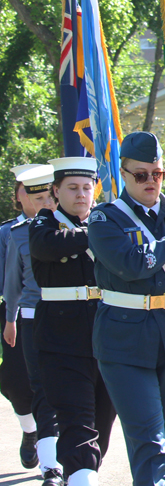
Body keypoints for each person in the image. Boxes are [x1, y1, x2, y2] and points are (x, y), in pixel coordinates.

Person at [88, 132, 165, 486]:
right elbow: (132, 264)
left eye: (157, 174)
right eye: (141, 175)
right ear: (124, 173)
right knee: (150, 440)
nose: (151, 182)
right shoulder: (104, 219)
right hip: (124, 338)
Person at [29, 157, 117, 486]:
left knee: (101, 426)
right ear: (55, 191)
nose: (81, 194)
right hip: (60, 338)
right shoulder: (44, 222)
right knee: (77, 423)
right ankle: (78, 474)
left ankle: (78, 475)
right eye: (72, 188)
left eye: (87, 187)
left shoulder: (106, 219)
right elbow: (46, 246)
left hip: (107, 334)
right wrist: (96, 235)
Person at [5, 164, 62, 484]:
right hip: (30, 319)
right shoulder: (15, 234)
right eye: (38, 197)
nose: (46, 203)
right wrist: (10, 319)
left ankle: (70, 459)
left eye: (50, 196)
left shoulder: (76, 228)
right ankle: (48, 461)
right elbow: (12, 284)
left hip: (71, 318)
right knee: (32, 388)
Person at [1, 163, 43, 471]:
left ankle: (53, 455)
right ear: (19, 196)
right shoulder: (7, 232)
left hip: (58, 310)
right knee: (15, 382)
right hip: (13, 311)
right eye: (28, 191)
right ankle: (30, 431)